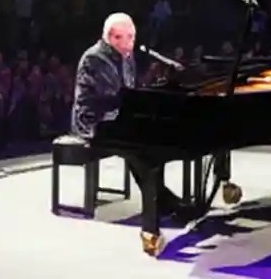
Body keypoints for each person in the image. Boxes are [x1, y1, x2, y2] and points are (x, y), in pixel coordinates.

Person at [70, 12, 189, 241]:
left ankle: (160, 197)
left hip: (116, 115)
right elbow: (112, 96)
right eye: (127, 37)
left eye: (132, 37)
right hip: (93, 120)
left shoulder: (126, 56)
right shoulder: (95, 59)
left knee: (149, 139)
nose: (132, 42)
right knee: (138, 145)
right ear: (112, 38)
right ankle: (159, 200)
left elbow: (130, 91)